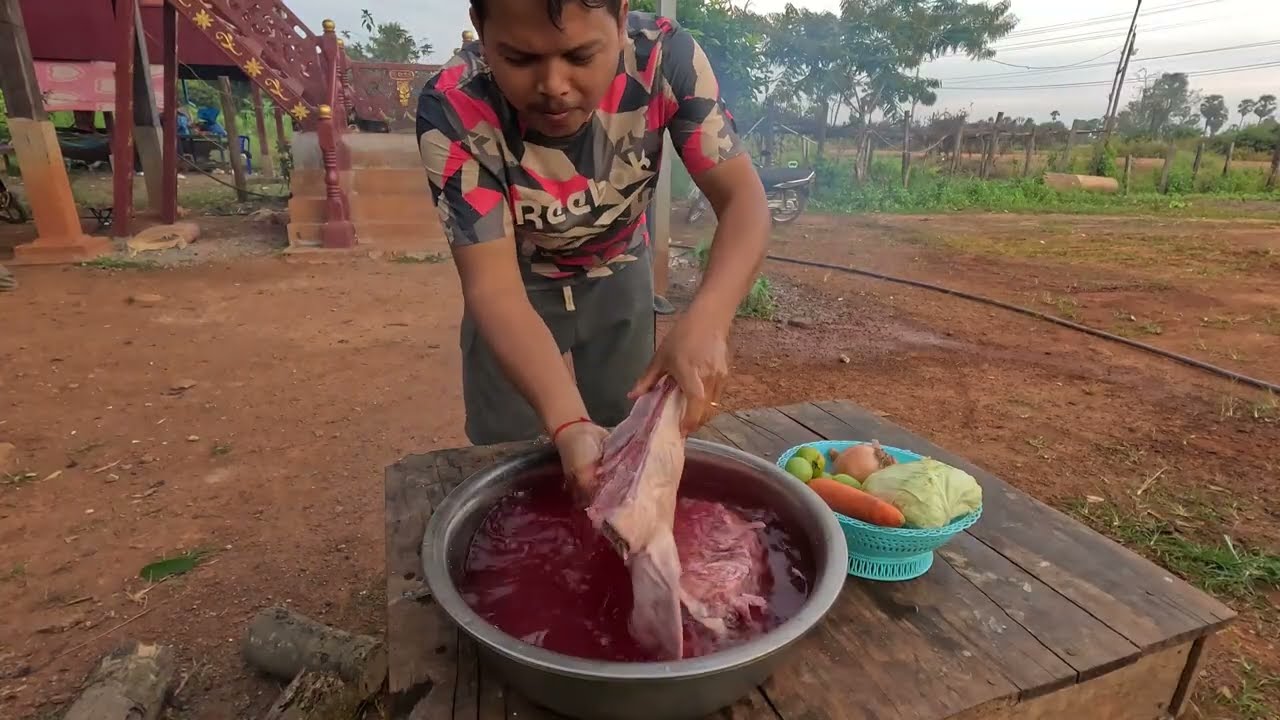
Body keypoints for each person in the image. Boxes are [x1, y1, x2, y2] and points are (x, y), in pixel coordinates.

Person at [417, 0, 769, 492]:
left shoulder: (667, 61)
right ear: (479, 27)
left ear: (623, 18)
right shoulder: (453, 106)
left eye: (581, 56)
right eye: (519, 59)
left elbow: (744, 202)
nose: (554, 86)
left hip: (620, 267)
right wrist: (566, 423)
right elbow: (493, 292)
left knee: (627, 429)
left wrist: (708, 319)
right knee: (502, 451)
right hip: (515, 287)